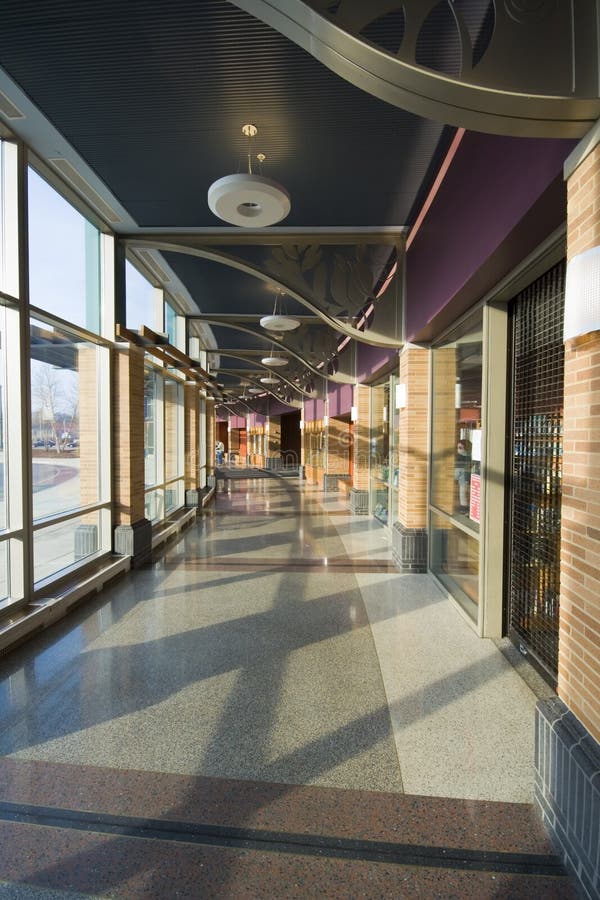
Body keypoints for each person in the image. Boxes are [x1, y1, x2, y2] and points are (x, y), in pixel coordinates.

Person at [454, 438, 472, 514]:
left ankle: (464, 508)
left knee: (462, 494)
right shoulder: (469, 455)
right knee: (463, 493)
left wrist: (455, 477)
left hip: (463, 478)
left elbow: (459, 469)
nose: (458, 449)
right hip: (466, 477)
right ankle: (464, 507)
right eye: (458, 447)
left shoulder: (461, 456)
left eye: (460, 447)